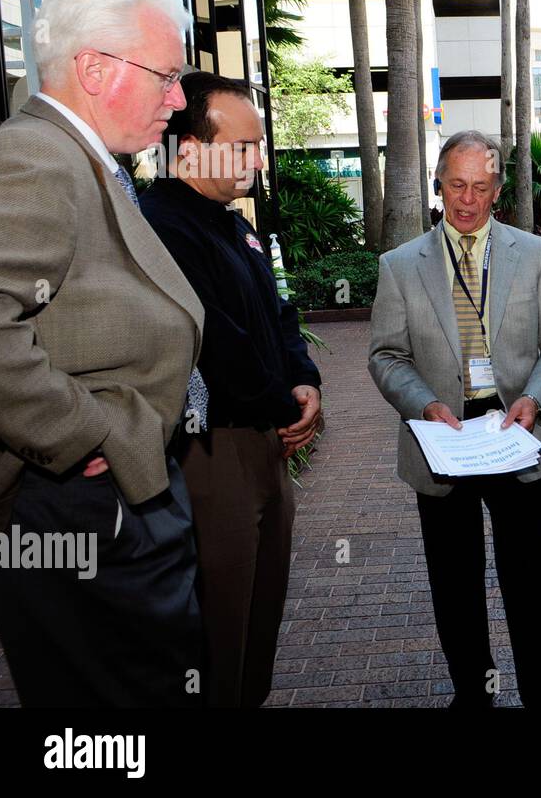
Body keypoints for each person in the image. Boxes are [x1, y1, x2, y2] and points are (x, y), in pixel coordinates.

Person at [0, 0, 206, 706]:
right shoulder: (36, 156)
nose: (178, 100)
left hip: (104, 505)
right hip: (85, 510)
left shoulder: (88, 163)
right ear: (94, 68)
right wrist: (88, 434)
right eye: (168, 76)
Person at [368, 130, 541, 708]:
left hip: (516, 433)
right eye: (456, 185)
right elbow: (386, 354)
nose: (467, 199)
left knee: (532, 581)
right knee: (455, 583)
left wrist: (535, 399)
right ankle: (474, 692)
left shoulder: (533, 254)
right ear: (438, 185)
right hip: (443, 441)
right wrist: (422, 405)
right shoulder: (400, 266)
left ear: (497, 191)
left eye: (481, 187)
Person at [139, 71, 323, 707]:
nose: (257, 159)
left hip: (265, 443)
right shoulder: (162, 225)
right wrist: (283, 402)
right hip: (212, 454)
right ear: (189, 148)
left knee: (258, 620)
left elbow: (278, 313)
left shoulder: (232, 222)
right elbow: (218, 342)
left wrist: (305, 379)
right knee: (219, 630)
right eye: (242, 146)